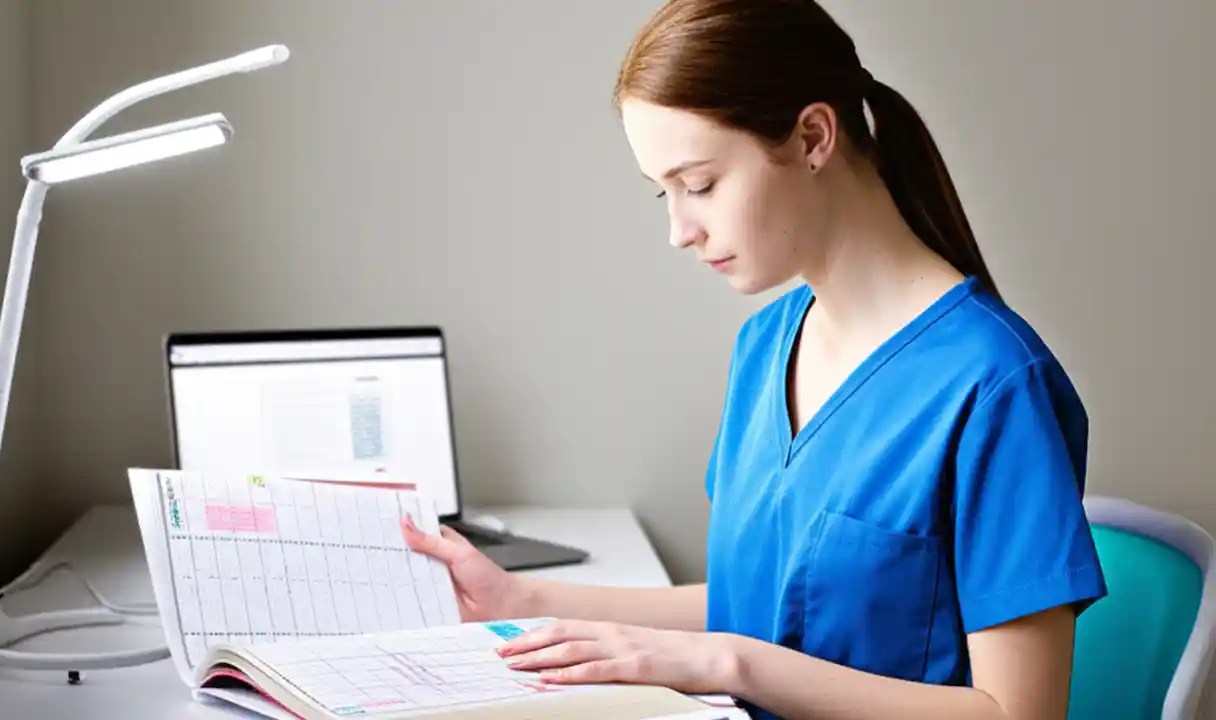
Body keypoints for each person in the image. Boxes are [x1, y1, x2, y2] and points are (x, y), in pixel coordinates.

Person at [402, 1, 1108, 717]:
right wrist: (520, 598)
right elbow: (768, 600)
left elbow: (1018, 713)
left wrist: (731, 664)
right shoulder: (766, 344)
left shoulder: (993, 388)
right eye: (664, 193)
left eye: (699, 184)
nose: (679, 229)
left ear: (811, 137)